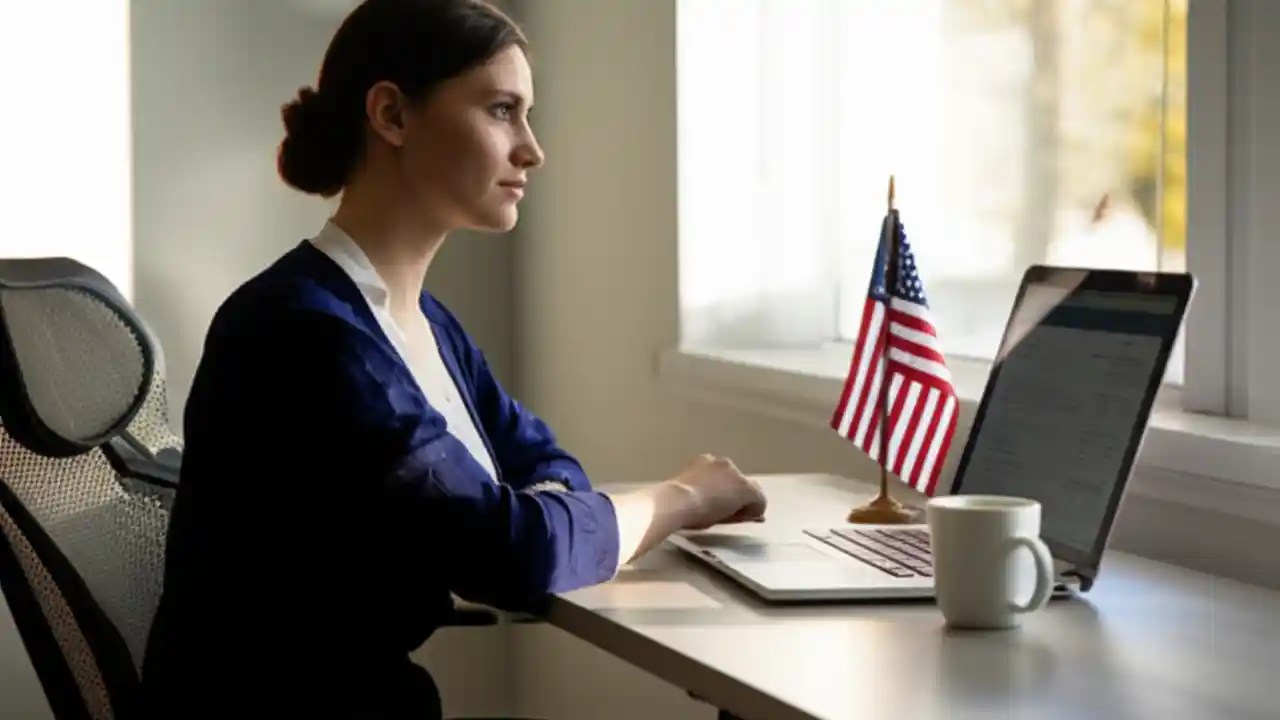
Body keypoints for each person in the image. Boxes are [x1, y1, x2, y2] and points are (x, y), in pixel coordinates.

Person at [139, 1, 767, 717]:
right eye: (502, 110)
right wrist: (679, 499)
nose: (532, 148)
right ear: (393, 116)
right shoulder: (305, 331)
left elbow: (545, 467)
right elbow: (514, 554)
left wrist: (538, 523)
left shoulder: (423, 324)